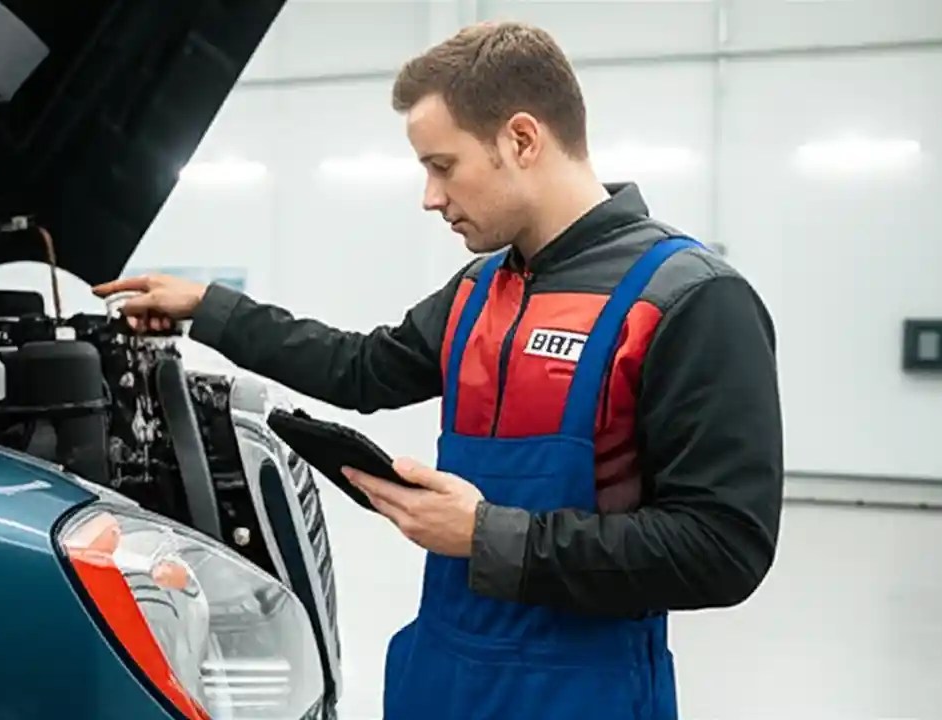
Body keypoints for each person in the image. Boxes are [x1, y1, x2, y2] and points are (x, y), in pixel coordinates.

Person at [94, 20, 783, 720]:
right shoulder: (480, 291)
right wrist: (207, 309)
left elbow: (723, 548)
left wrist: (488, 536)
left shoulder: (686, 299)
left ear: (521, 139)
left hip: (579, 694)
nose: (429, 196)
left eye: (443, 166)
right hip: (444, 676)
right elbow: (360, 368)